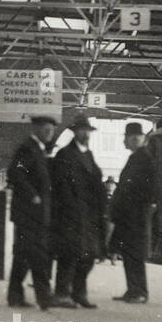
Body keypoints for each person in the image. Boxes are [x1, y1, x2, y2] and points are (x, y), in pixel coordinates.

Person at [50, 114, 106, 309]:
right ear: (74, 132)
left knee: (88, 256)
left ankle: (78, 293)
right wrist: (70, 208)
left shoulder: (88, 155)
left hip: (88, 215)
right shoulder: (65, 154)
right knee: (69, 255)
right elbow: (60, 186)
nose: (86, 134)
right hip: (71, 214)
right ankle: (61, 293)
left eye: (88, 131)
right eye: (82, 131)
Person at [6, 114, 58, 310]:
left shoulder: (37, 149)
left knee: (23, 255)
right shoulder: (27, 149)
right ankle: (44, 297)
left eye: (52, 131)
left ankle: (15, 296)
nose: (50, 134)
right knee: (38, 254)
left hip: (32, 213)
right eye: (46, 130)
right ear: (36, 129)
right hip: (30, 213)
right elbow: (15, 172)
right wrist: (32, 195)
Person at [109, 122, 158, 303]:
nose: (124, 141)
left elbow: (149, 188)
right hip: (130, 214)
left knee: (135, 253)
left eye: (127, 138)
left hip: (135, 215)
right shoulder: (137, 157)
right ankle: (132, 290)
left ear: (136, 139)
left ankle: (139, 292)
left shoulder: (144, 158)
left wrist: (142, 206)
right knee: (129, 253)